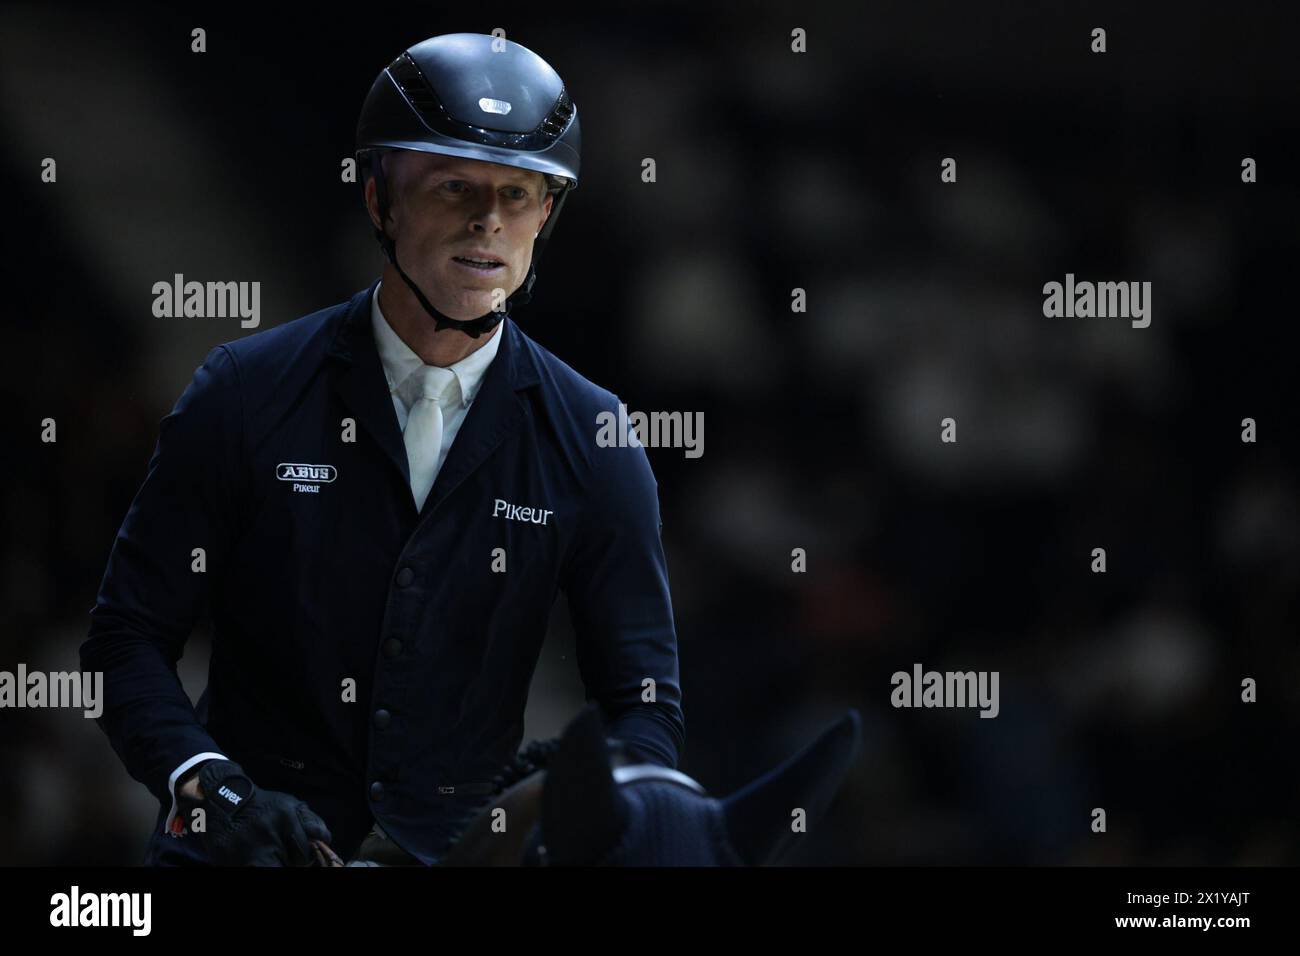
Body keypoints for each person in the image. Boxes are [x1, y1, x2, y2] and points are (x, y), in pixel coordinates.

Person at [81, 32, 685, 866]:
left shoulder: (598, 436)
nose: (488, 221)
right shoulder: (245, 390)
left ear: (547, 216)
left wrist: (601, 786)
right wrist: (208, 782)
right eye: (454, 188)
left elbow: (645, 704)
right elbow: (125, 642)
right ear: (379, 200)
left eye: (518, 195)